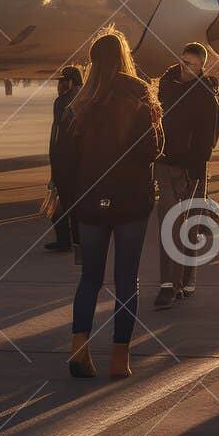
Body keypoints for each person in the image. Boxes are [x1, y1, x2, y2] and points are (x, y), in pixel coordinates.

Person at [53, 31, 164, 380]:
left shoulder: (78, 102)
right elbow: (153, 150)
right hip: (130, 200)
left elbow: (65, 162)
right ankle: (120, 358)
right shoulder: (138, 93)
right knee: (126, 280)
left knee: (90, 278)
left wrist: (70, 202)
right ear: (123, 56)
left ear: (91, 60)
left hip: (89, 202)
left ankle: (79, 348)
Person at [153, 42, 219, 308]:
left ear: (201, 67)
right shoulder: (165, 84)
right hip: (165, 163)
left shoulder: (205, 94)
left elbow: (206, 137)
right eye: (183, 61)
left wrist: (196, 169)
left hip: (192, 166)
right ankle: (167, 285)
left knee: (190, 224)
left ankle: (186, 277)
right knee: (168, 222)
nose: (184, 67)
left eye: (191, 64)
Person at [44, 65, 83, 252]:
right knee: (77, 203)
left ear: (70, 82)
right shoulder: (87, 98)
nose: (59, 85)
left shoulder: (62, 102)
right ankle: (78, 240)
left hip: (64, 161)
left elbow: (57, 134)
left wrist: (54, 168)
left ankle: (65, 240)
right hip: (82, 161)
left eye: (62, 81)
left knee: (61, 203)